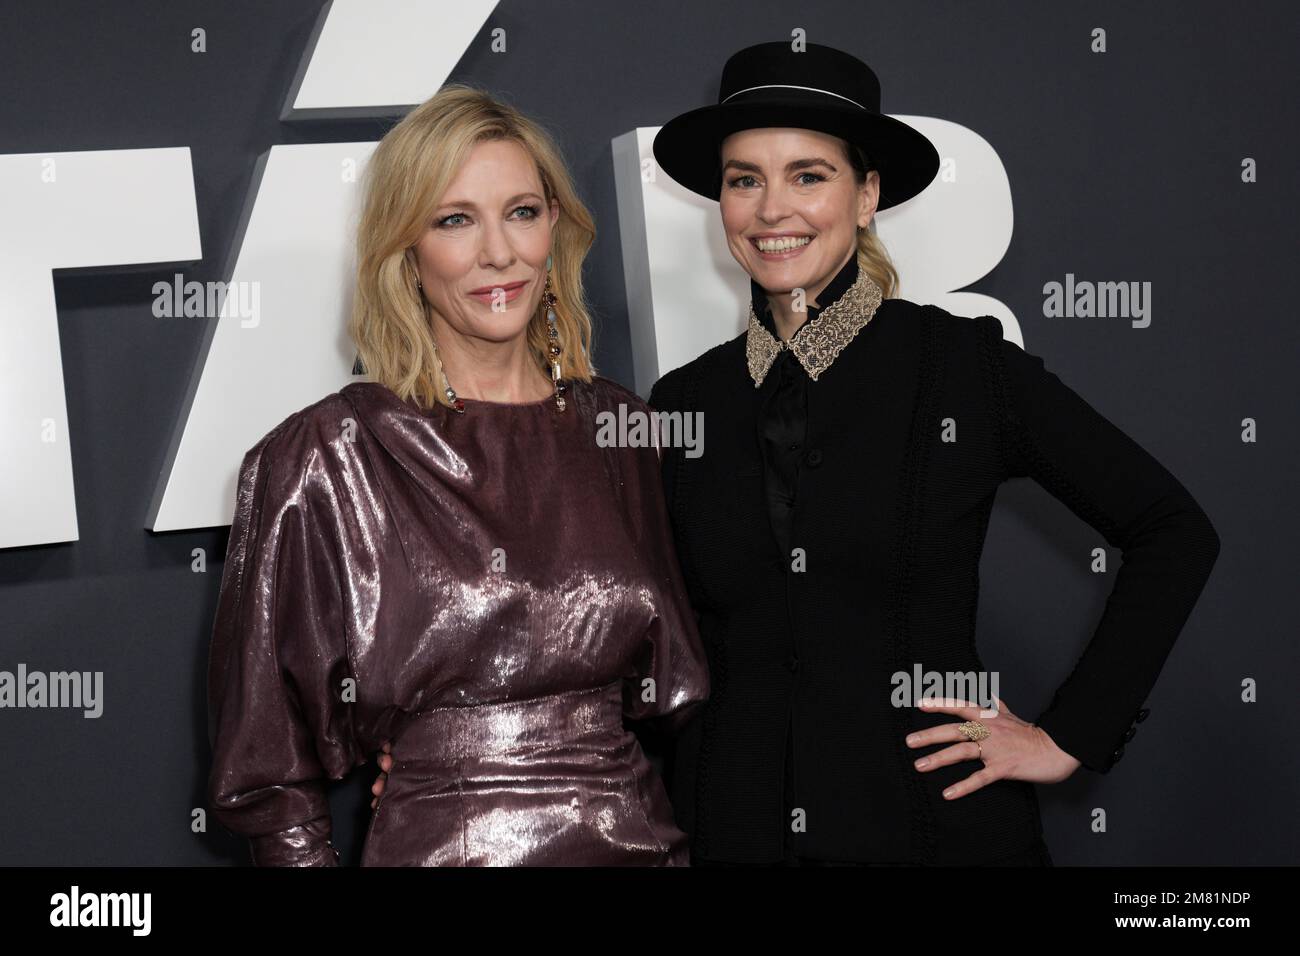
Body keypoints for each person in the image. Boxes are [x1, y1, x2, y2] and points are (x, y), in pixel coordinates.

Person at [640, 41, 1221, 865]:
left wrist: (1069, 735)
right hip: (734, 828)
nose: (773, 209)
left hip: (932, 832)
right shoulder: (682, 402)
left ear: (868, 194)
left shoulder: (964, 369)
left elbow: (1172, 528)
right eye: (745, 179)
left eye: (809, 175)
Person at [205, 84, 708, 866]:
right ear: (406, 251)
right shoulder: (326, 455)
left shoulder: (621, 429)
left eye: (521, 211)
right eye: (454, 220)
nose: (498, 253)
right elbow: (269, 770)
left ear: (555, 228)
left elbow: (682, 691)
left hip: (641, 845)